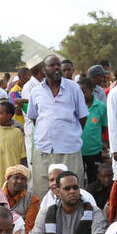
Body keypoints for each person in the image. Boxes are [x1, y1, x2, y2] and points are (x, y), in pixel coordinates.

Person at [25, 55, 89, 200]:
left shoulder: (73, 89)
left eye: (58, 65)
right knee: (43, 193)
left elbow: (82, 117)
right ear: (43, 69)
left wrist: (69, 134)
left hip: (69, 150)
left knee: (72, 192)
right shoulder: (36, 91)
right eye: (52, 65)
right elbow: (35, 118)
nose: (56, 68)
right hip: (44, 150)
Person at [27, 171, 105, 234]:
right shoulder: (46, 213)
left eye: (75, 187)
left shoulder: (93, 212)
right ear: (58, 192)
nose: (72, 191)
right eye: (67, 188)